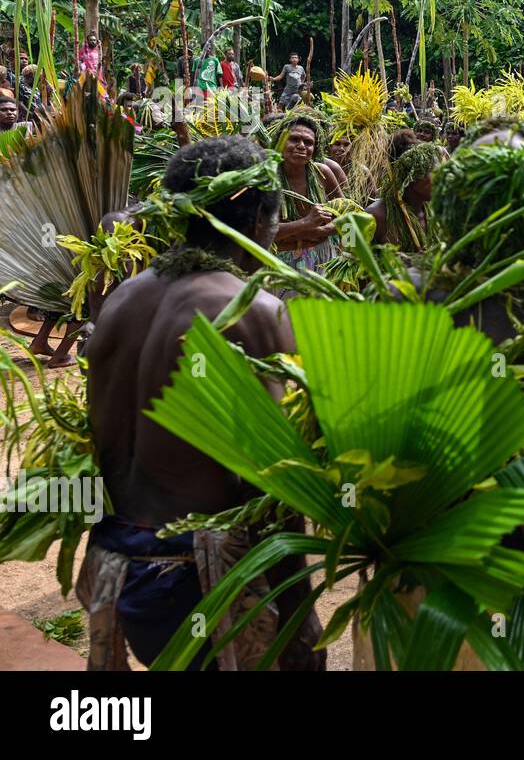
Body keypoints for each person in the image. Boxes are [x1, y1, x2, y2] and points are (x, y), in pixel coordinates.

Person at [76, 136, 324, 670]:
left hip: (116, 567)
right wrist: (298, 611)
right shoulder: (253, 309)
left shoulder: (123, 298)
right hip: (201, 573)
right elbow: (272, 477)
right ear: (260, 218)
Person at [273, 116, 344, 281]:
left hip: (323, 259)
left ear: (315, 149)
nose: (301, 146)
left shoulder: (323, 173)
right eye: (294, 139)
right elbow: (260, 230)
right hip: (279, 264)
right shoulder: (266, 177)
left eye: (308, 142)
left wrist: (325, 230)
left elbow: (347, 216)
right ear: (280, 142)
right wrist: (306, 225)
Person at [366, 129, 442, 251]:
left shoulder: (435, 212)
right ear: (410, 177)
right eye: (432, 172)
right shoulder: (374, 216)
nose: (440, 179)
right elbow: (350, 257)